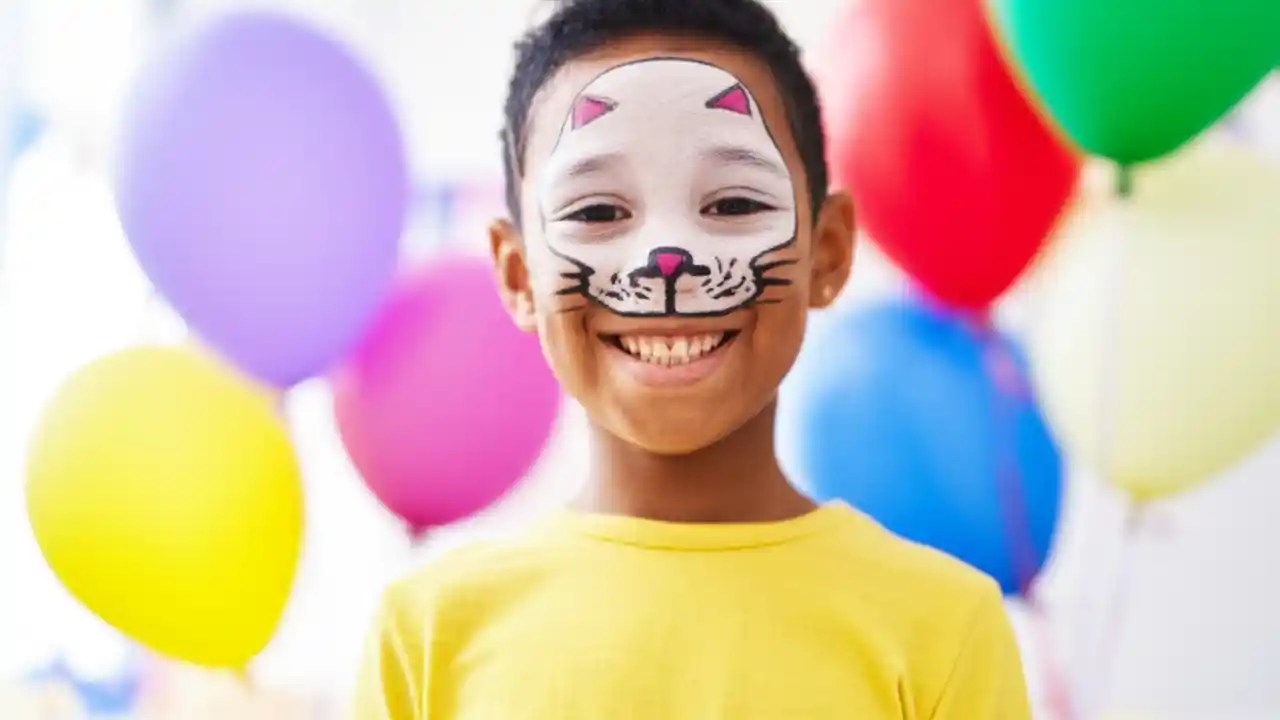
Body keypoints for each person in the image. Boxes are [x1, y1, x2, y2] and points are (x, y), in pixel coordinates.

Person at [355, 0, 1031, 717]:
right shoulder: (428, 634)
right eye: (597, 212)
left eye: (734, 203)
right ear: (519, 275)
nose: (666, 260)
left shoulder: (942, 627)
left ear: (826, 252)